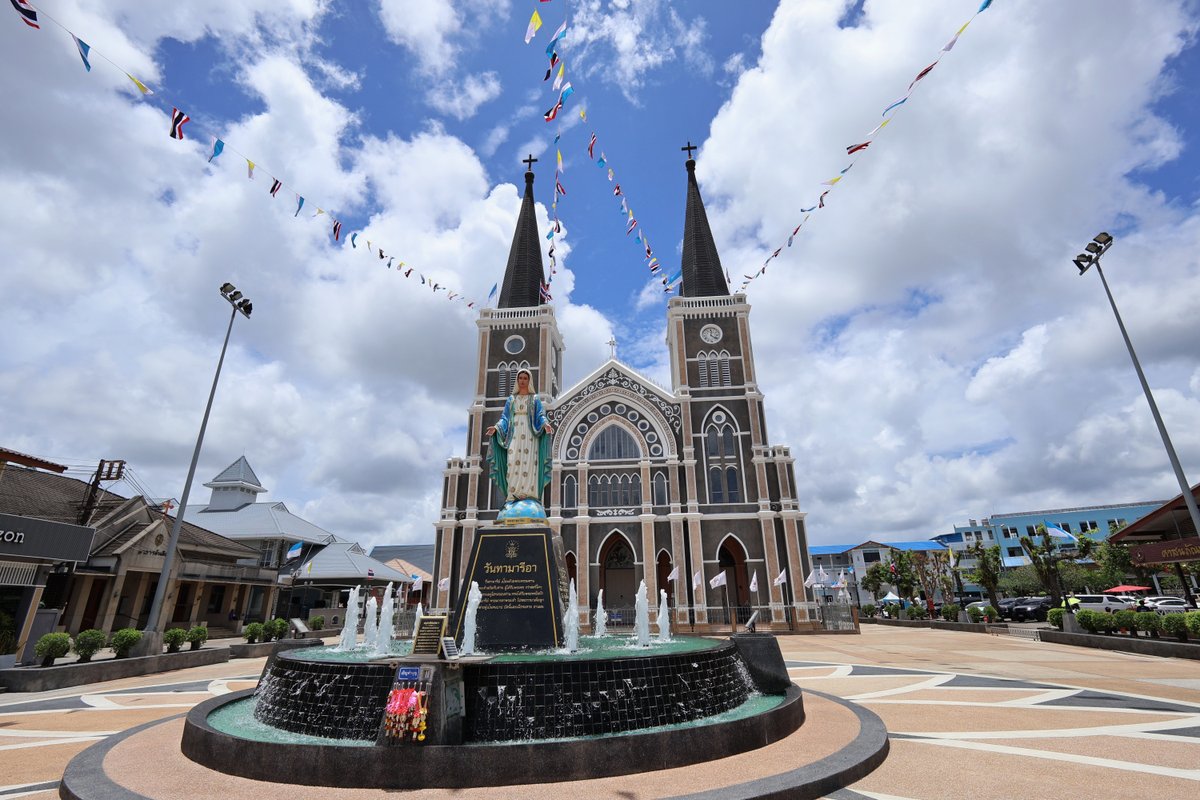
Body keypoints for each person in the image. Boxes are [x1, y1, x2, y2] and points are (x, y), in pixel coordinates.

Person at [485, 368, 554, 508]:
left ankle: (529, 494)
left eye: (525, 378)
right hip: (514, 434)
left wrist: (545, 424)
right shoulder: (511, 400)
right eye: (520, 378)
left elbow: (540, 415)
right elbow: (505, 418)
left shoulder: (534, 399)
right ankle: (513, 495)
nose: (522, 381)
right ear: (517, 380)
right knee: (513, 461)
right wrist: (497, 428)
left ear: (529, 381)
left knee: (529, 462)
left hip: (530, 435)